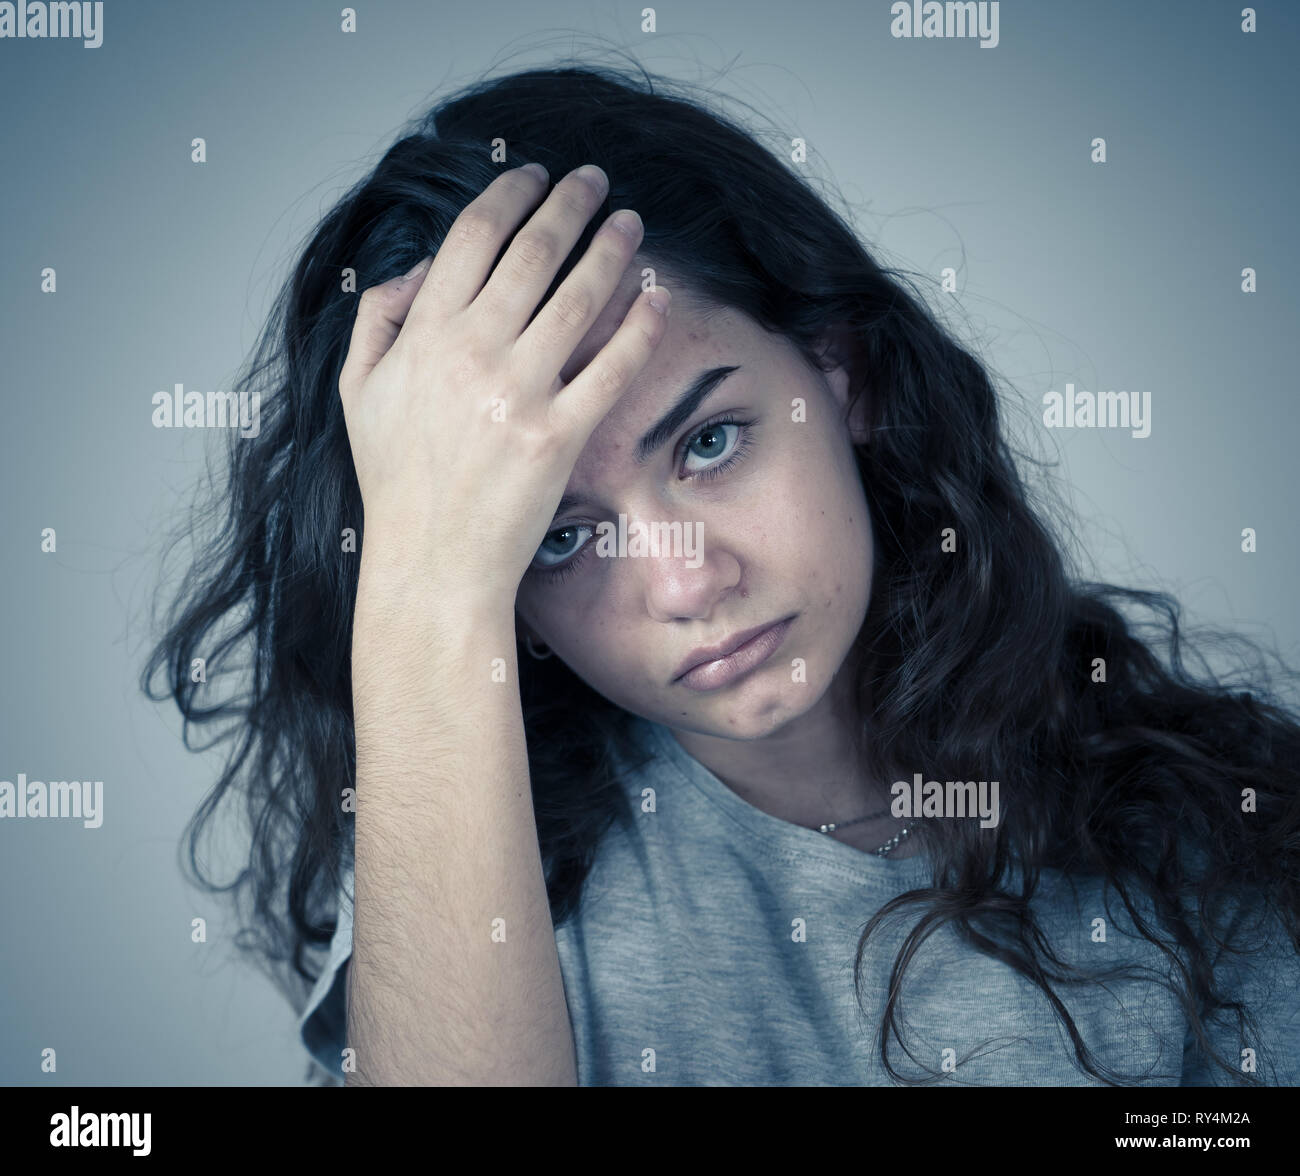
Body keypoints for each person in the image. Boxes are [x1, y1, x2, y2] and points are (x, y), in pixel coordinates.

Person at [143, 60, 1300, 1087]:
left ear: (838, 372)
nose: (686, 585)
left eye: (708, 443)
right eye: (554, 534)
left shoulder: (1206, 853)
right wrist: (424, 577)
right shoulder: (476, 866)